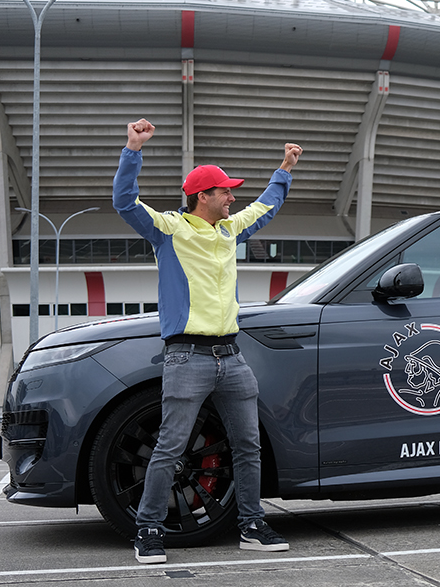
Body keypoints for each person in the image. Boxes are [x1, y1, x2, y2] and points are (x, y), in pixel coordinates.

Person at [114, 118, 302, 564]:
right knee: (170, 447)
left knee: (249, 445)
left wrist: (285, 169)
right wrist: (132, 149)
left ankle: (252, 524)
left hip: (232, 358)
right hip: (186, 357)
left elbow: (265, 207)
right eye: (225, 191)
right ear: (204, 196)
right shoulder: (169, 230)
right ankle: (148, 530)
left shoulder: (227, 231)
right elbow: (124, 202)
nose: (232, 197)